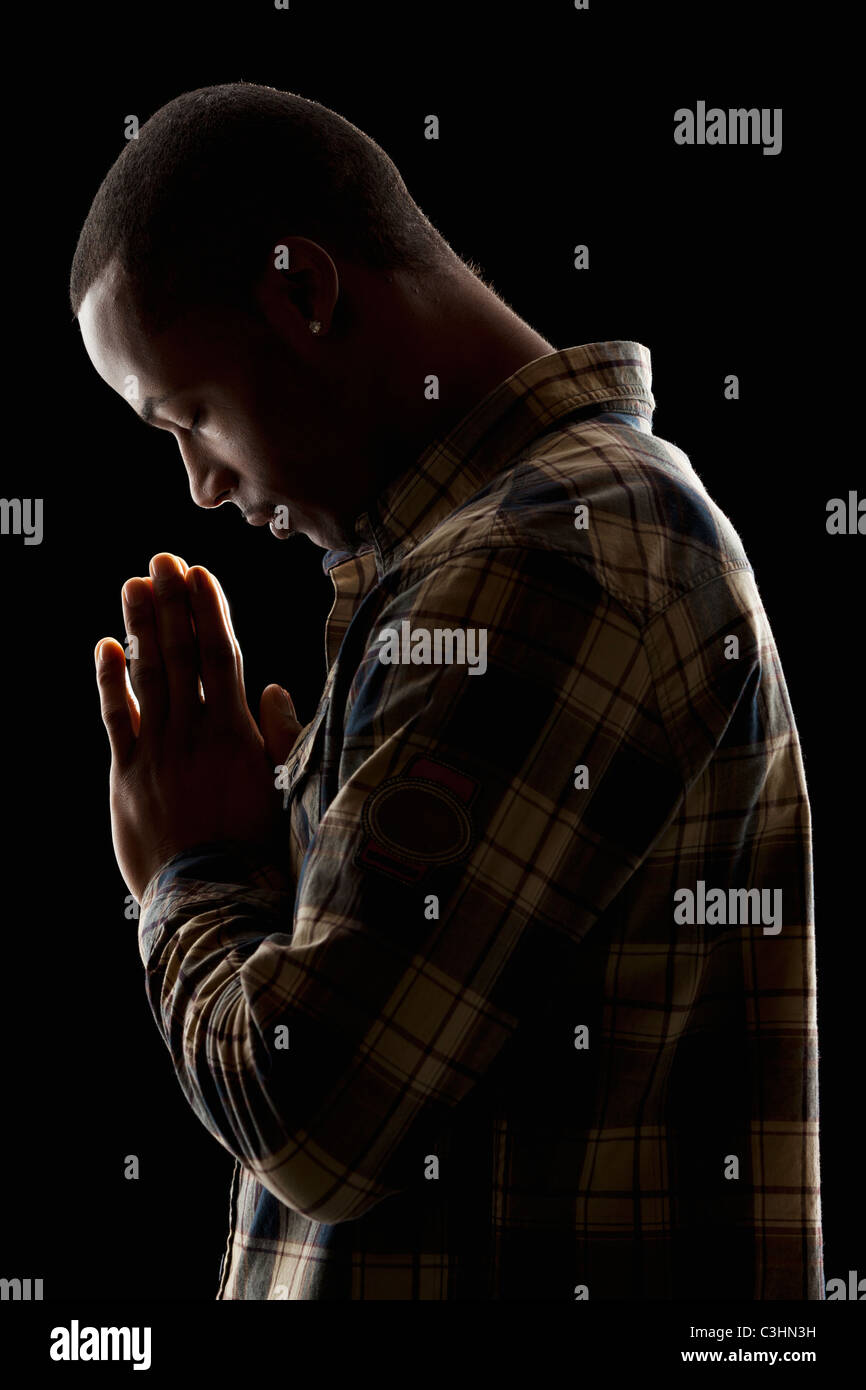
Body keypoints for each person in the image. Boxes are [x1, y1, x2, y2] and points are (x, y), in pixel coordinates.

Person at [72, 81, 823, 1300]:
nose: (199, 484)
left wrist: (187, 878)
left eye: (189, 415)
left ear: (303, 294)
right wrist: (273, 872)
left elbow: (311, 1115)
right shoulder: (486, 560)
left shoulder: (548, 559)